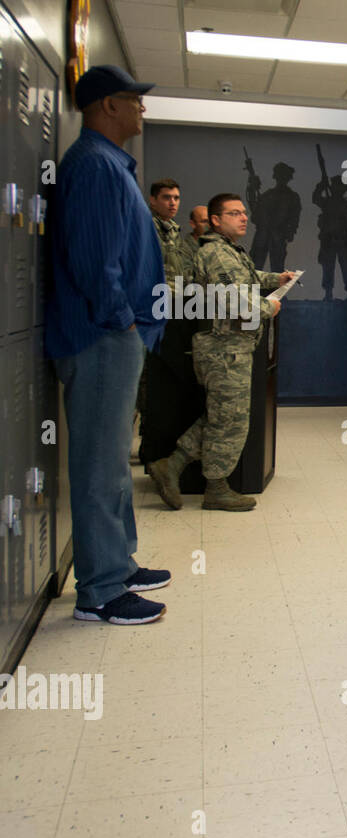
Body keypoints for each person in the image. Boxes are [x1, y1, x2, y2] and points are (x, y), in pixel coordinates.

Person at [46, 64, 170, 625]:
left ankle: (116, 564)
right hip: (100, 336)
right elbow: (97, 262)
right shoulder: (95, 166)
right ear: (106, 106)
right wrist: (121, 321)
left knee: (113, 459)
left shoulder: (109, 164)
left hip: (113, 335)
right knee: (99, 464)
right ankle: (99, 591)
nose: (142, 109)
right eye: (134, 100)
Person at [147, 193, 293, 511]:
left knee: (222, 417)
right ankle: (215, 487)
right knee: (229, 422)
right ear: (215, 220)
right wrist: (269, 306)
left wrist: (276, 279)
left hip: (231, 348)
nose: (243, 218)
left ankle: (170, 467)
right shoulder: (217, 254)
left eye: (244, 213)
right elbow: (235, 300)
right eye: (234, 213)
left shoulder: (230, 252)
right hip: (224, 350)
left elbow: (246, 281)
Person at [139, 178, 204, 467]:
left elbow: (181, 272)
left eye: (176, 197)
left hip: (173, 311)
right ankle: (142, 444)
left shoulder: (174, 231)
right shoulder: (146, 227)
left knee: (157, 381)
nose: (173, 202)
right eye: (166, 197)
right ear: (153, 200)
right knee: (142, 381)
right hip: (150, 311)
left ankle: (151, 443)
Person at [313, 175, 347, 300]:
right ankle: (328, 293)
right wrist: (320, 186)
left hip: (345, 239)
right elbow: (315, 198)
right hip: (328, 239)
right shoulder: (327, 203)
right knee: (328, 267)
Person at [249, 161, 301, 273]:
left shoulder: (292, 197)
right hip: (263, 235)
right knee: (255, 267)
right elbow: (255, 213)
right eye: (280, 174)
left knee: (277, 270)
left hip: (278, 235)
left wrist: (290, 232)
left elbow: (294, 217)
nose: (281, 178)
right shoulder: (267, 195)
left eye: (284, 175)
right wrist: (251, 189)